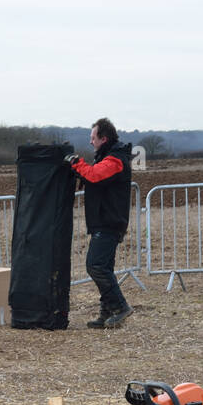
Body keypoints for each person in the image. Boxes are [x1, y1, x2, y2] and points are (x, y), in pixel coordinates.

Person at [66, 118, 134, 329]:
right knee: (104, 267)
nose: (91, 142)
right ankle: (107, 312)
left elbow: (95, 176)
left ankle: (120, 307)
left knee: (94, 265)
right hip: (105, 221)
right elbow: (95, 178)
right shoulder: (108, 156)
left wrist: (76, 163)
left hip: (109, 222)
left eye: (93, 138)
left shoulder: (115, 159)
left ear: (103, 138)